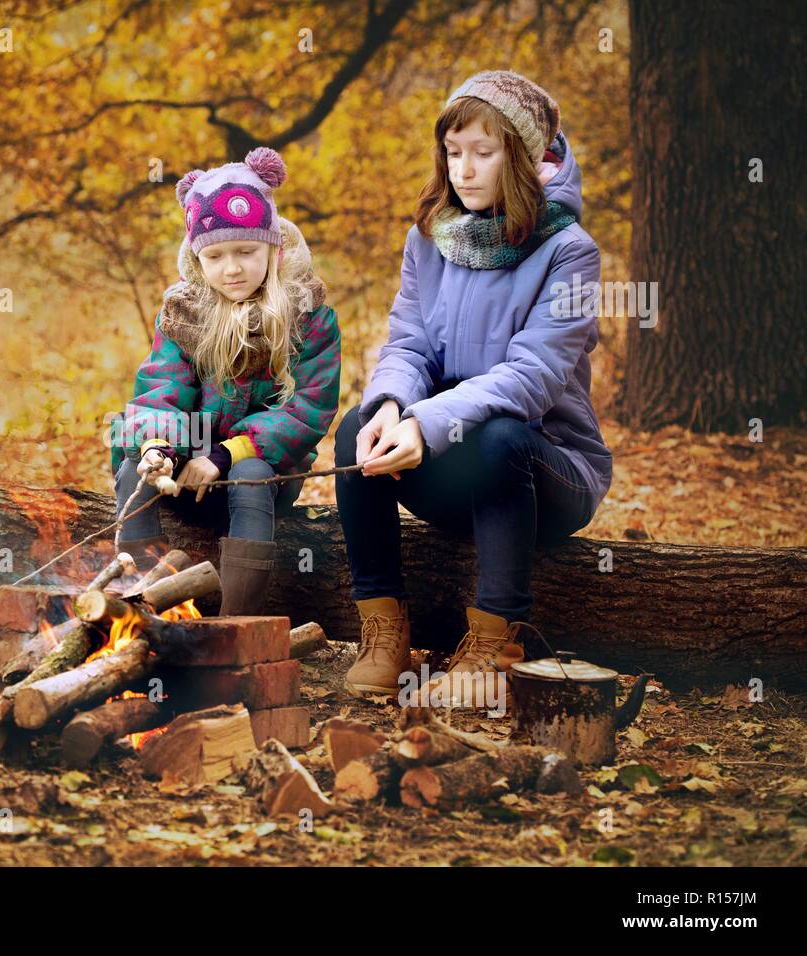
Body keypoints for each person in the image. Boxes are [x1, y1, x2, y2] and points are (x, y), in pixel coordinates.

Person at [335, 70, 612, 703]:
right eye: (453, 152)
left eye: (483, 154)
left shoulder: (570, 250)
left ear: (521, 156)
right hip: (446, 463)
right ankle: (383, 628)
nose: (464, 170)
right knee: (358, 426)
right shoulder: (428, 238)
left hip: (546, 474)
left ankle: (495, 639)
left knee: (498, 436)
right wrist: (392, 408)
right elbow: (407, 345)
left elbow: (532, 378)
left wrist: (426, 424)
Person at [110, 147, 341, 615]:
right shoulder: (184, 315)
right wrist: (158, 447)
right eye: (215, 256)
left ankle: (236, 621)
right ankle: (140, 604)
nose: (231, 269)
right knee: (133, 467)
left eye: (246, 251)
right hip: (186, 464)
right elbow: (162, 388)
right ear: (197, 260)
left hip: (264, 466)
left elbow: (308, 408)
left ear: (273, 249)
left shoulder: (307, 316)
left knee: (250, 476)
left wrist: (225, 454)